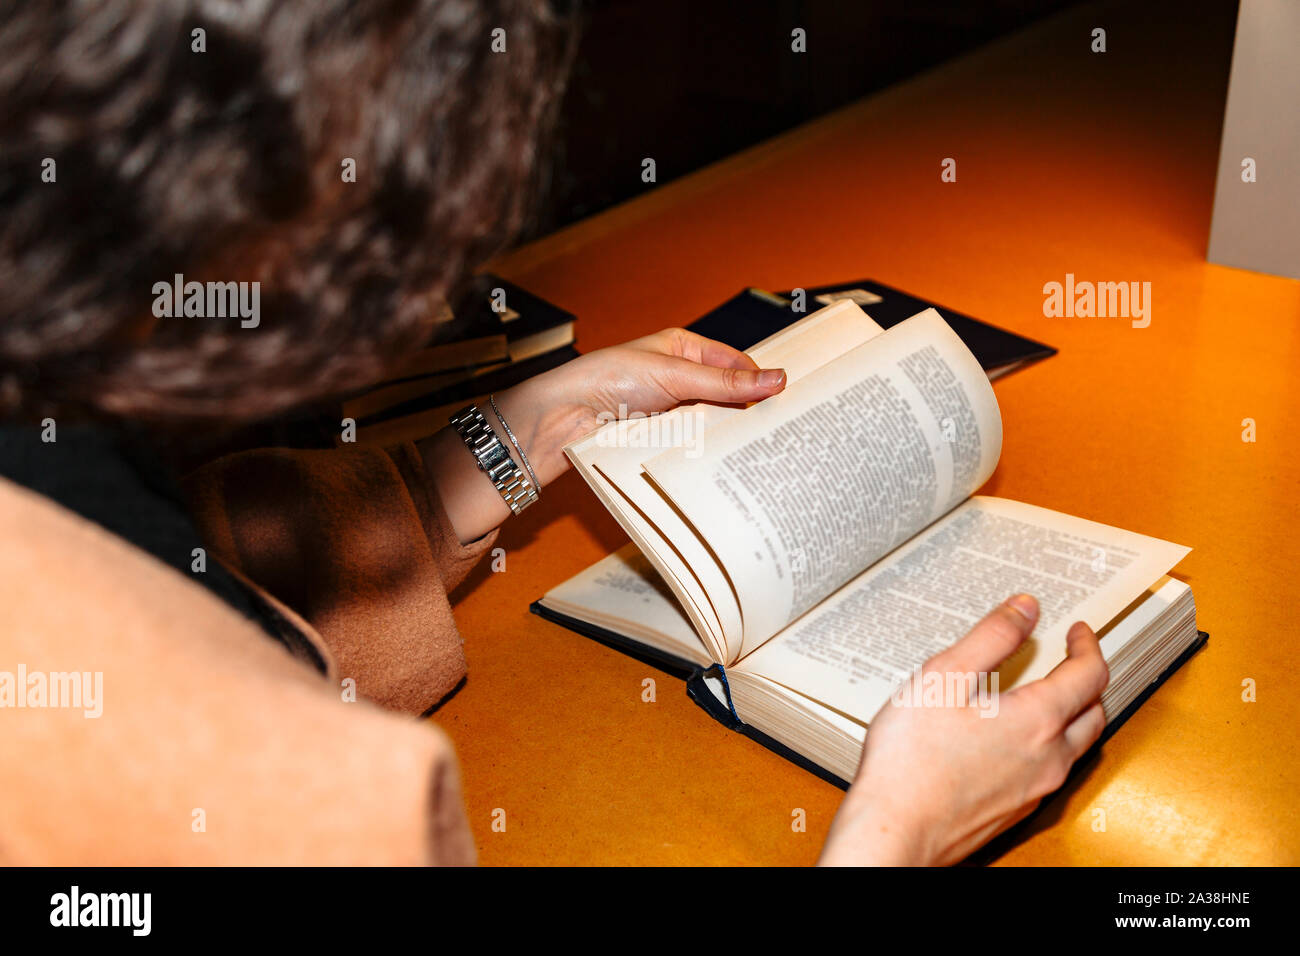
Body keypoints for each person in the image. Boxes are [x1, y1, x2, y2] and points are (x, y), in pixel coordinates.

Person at [0, 0, 1108, 865]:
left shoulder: (54, 443)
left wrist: (514, 442)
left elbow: (209, 577)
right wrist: (897, 836)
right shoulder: (262, 793)